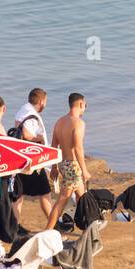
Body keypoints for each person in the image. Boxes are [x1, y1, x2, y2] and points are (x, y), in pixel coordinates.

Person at [45, 93, 90, 230]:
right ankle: (48, 230)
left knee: (83, 199)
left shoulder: (60, 122)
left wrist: (54, 167)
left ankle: (88, 228)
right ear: (81, 104)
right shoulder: (79, 123)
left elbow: (54, 146)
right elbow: (77, 147)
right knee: (63, 200)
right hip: (73, 165)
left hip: (63, 164)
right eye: (85, 106)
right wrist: (84, 170)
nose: (85, 109)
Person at [11, 89, 55, 221]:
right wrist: (40, 139)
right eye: (45, 102)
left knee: (19, 195)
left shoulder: (22, 110)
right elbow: (27, 135)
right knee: (45, 192)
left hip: (20, 158)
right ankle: (53, 223)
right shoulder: (31, 114)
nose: (45, 105)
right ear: (41, 101)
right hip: (33, 161)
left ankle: (16, 225)